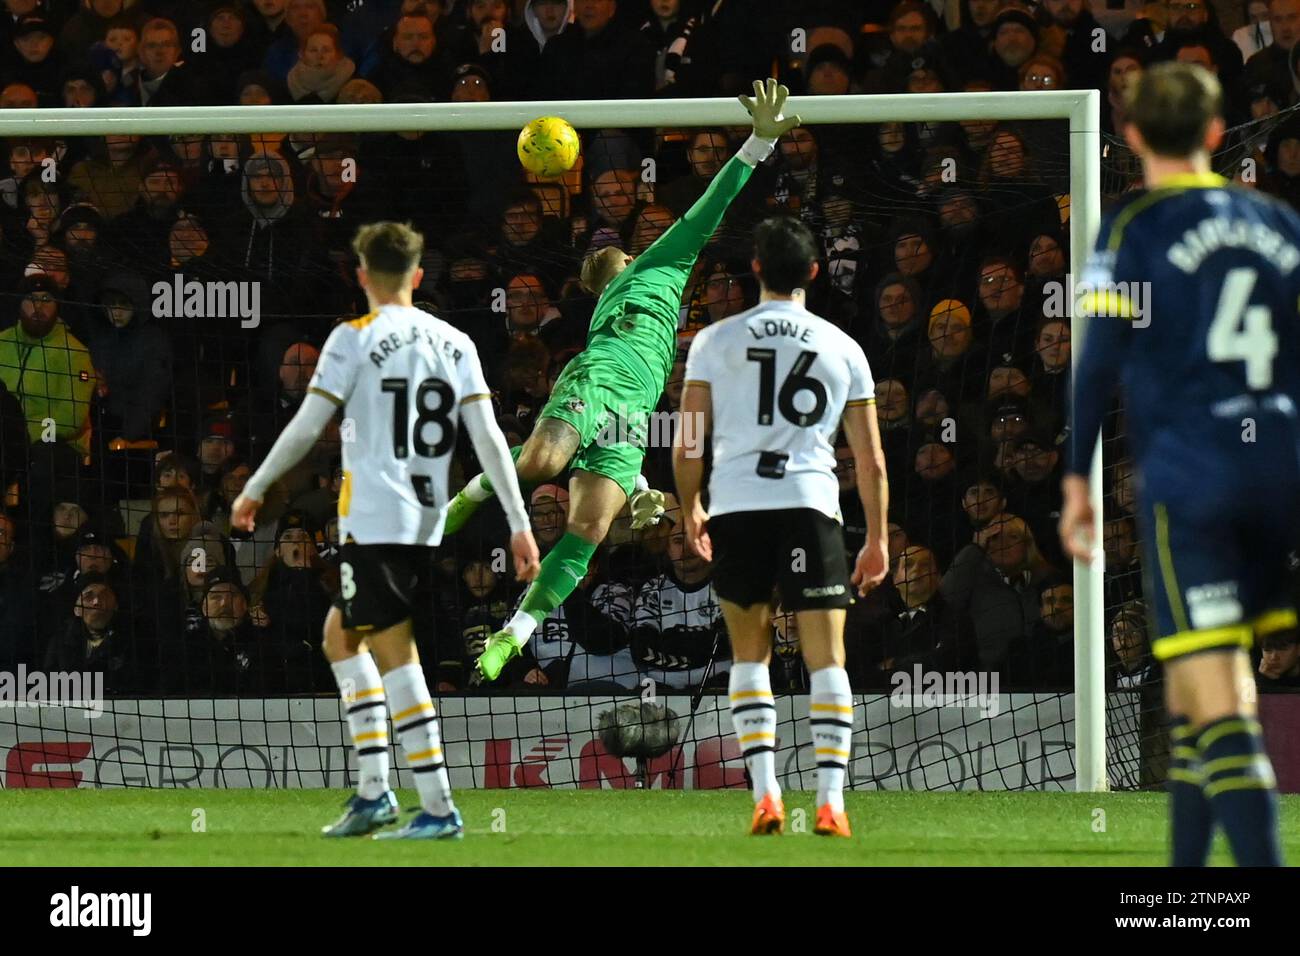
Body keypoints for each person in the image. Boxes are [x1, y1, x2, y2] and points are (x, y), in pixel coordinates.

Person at [441, 79, 801, 683]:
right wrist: (758, 143)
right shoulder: (637, 285)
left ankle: (514, 633)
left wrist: (637, 484)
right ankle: (470, 496)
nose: (608, 253)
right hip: (599, 378)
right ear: (612, 277)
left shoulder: (649, 275)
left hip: (632, 413)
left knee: (590, 528)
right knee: (541, 466)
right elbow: (709, 207)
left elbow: (708, 208)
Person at [1060, 63, 1300, 867]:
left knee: (1213, 702)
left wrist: (1074, 480)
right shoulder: (1279, 223)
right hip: (1275, 475)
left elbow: (1096, 364)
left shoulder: (1133, 227)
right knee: (1208, 692)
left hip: (1192, 477)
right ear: (1211, 133)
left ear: (1130, 136)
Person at [232, 221, 538, 841]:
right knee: (341, 638)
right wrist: (518, 522)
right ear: (419, 276)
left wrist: (256, 485)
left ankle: (438, 805)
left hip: (376, 516)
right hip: (424, 516)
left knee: (396, 656)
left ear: (362, 275)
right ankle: (374, 791)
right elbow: (489, 442)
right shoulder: (455, 342)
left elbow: (306, 423)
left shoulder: (352, 339)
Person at [673, 215, 889, 838]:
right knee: (827, 660)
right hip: (810, 505)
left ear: (757, 269)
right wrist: (876, 537)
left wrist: (690, 505)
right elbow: (870, 460)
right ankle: (830, 802)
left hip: (738, 506)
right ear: (815, 273)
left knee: (751, 654)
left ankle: (766, 796)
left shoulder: (713, 342)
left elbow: (689, 441)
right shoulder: (844, 346)